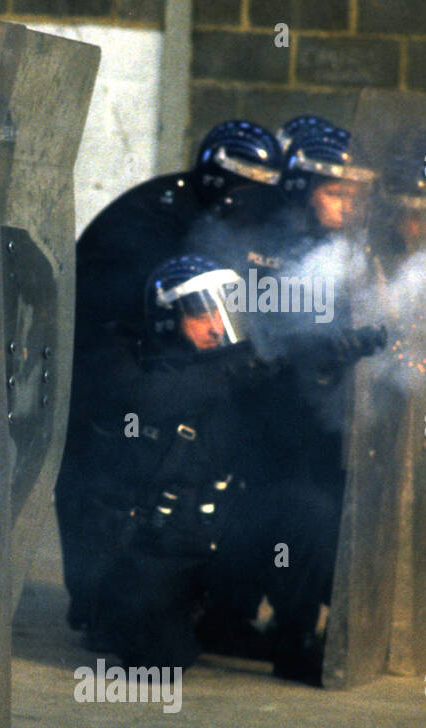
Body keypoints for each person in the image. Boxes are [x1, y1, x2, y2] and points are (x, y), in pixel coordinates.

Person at [58, 120, 286, 631]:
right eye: (245, 191)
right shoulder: (150, 216)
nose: (253, 206)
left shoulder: (239, 222)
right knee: (102, 472)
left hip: (180, 359)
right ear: (216, 180)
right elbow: (117, 317)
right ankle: (95, 600)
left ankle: (205, 599)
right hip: (106, 353)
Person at [81, 256, 347, 680]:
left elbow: (288, 431)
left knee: (305, 508)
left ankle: (291, 639)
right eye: (201, 314)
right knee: (158, 664)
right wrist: (235, 370)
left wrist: (321, 371)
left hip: (219, 540)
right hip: (153, 546)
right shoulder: (126, 359)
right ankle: (147, 620)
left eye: (222, 312)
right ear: (169, 318)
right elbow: (145, 401)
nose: (216, 327)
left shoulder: (236, 366)